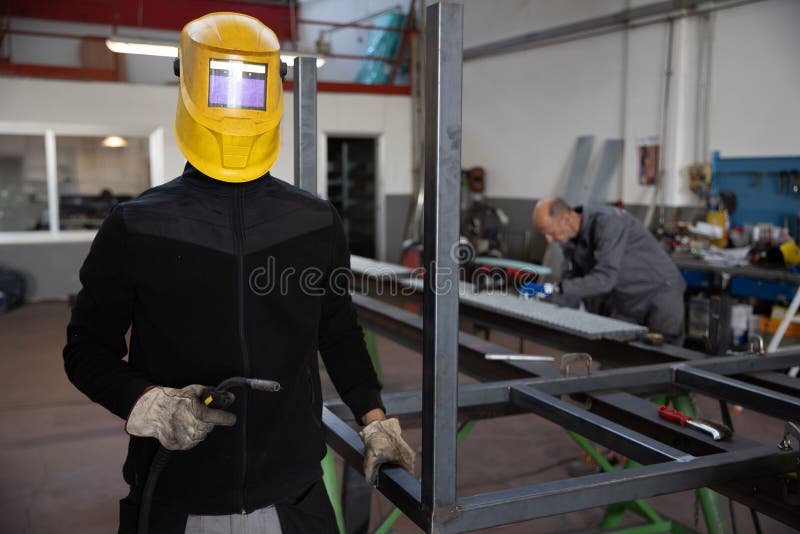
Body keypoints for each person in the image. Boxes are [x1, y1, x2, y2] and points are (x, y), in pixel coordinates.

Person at [63, 12, 413, 534]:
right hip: (174, 492)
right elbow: (86, 349)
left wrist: (374, 419)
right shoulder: (136, 226)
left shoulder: (315, 222)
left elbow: (338, 332)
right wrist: (147, 402)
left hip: (295, 493)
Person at [529, 197, 686, 344]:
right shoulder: (569, 239)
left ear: (565, 219)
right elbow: (573, 282)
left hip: (658, 295)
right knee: (618, 356)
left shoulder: (608, 222)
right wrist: (545, 305)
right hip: (626, 302)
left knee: (659, 357)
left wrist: (557, 289)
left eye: (549, 232)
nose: (549, 240)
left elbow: (604, 279)